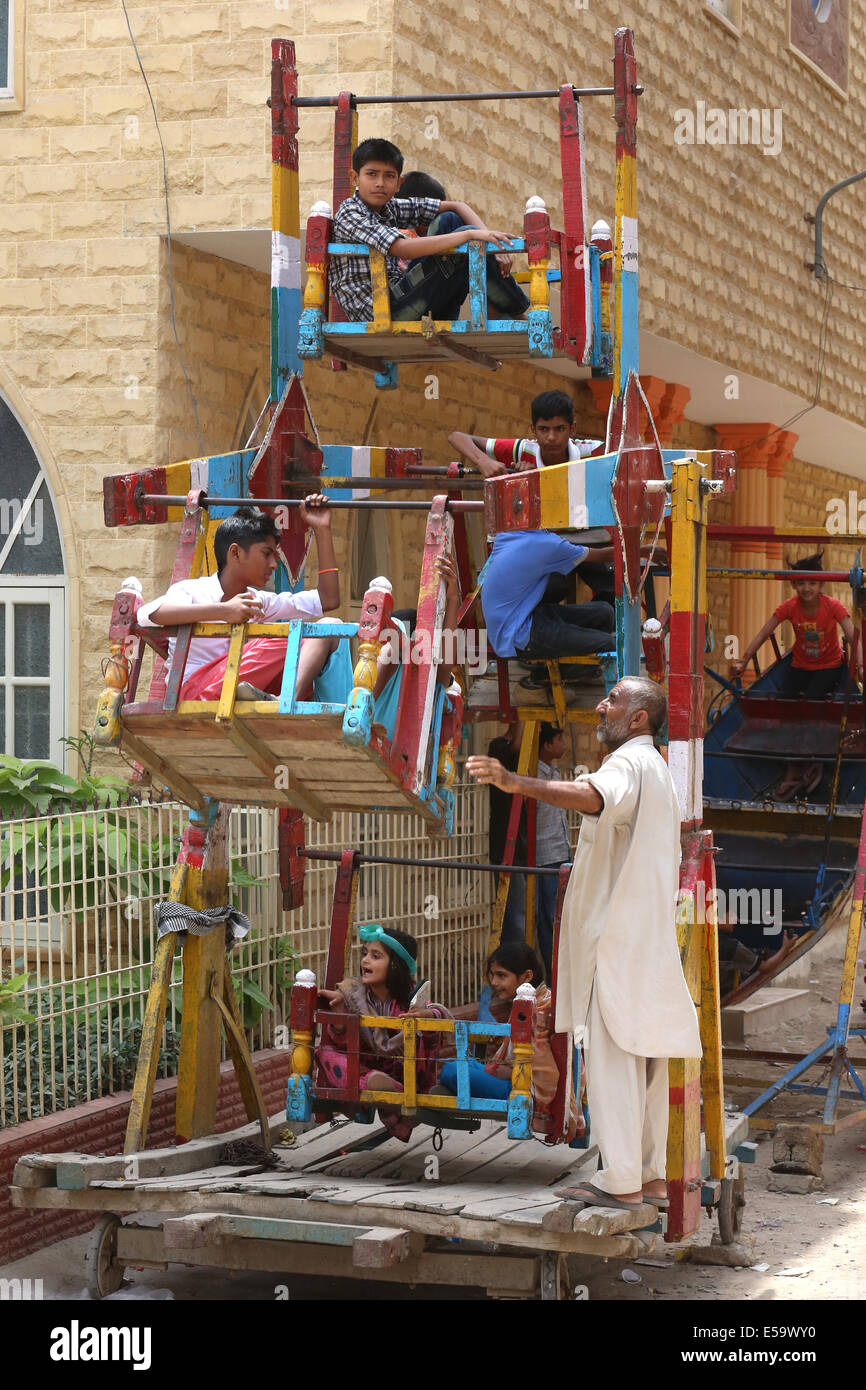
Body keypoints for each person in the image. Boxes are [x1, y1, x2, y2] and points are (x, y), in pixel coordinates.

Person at [467, 677, 702, 1211]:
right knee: (646, 1057)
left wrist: (513, 782)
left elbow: (592, 796)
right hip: (642, 941)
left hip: (615, 946)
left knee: (614, 1061)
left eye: (613, 699)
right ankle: (650, 1178)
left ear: (638, 718)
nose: (601, 705)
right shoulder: (656, 768)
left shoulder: (627, 764)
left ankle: (620, 1181)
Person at [137, 499, 341, 703]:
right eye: (266, 554)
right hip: (194, 694)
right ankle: (288, 700)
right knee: (276, 638)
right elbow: (149, 615)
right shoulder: (192, 590)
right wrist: (224, 611)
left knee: (328, 630)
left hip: (234, 689)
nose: (273, 565)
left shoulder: (258, 601)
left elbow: (327, 599)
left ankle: (288, 700)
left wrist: (322, 529)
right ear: (235, 553)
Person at [329, 137, 529, 324]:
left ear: (398, 183)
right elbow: (403, 248)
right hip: (382, 313)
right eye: (371, 174)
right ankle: (516, 313)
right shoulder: (350, 212)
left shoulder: (390, 207)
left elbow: (458, 206)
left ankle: (505, 309)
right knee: (467, 237)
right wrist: (471, 234)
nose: (380, 183)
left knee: (450, 219)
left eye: (388, 176)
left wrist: (492, 242)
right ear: (354, 178)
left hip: (401, 297)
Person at [729, 551, 863, 800]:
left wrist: (861, 666)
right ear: (793, 584)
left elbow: (854, 636)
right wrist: (743, 660)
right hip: (800, 666)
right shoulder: (789, 607)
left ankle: (811, 762)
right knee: (784, 707)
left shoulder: (832, 606)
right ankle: (792, 765)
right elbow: (763, 633)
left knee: (809, 704)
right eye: (801, 583)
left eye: (812, 583)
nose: (806, 588)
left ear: (822, 584)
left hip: (829, 668)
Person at [315, 923, 452, 1141]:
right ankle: (380, 1088)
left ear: (395, 966)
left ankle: (394, 1092)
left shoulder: (410, 999)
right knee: (326, 1054)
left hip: (402, 1073)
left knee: (423, 1033)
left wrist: (427, 1015)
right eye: (365, 954)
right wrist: (340, 1015)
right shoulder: (352, 994)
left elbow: (439, 1014)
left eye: (375, 956)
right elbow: (343, 1045)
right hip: (363, 1070)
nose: (365, 960)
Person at [437, 941, 580, 1141]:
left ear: (526, 977)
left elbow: (546, 1075)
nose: (494, 982)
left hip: (524, 1094)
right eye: (493, 975)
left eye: (502, 975)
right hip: (515, 1082)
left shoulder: (538, 1011)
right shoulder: (539, 999)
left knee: (451, 1071)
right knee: (461, 1064)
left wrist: (511, 1072)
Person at [447, 388, 603, 481]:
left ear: (572, 428)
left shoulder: (594, 452)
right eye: (543, 429)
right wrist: (483, 461)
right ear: (533, 430)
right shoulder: (522, 450)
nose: (551, 437)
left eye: (559, 429)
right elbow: (457, 437)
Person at [533, 723, 572, 983]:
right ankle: (553, 975)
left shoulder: (553, 771)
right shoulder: (535, 773)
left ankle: (562, 972)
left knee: (561, 917)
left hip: (560, 853)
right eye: (560, 739)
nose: (564, 744)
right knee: (549, 919)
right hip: (546, 856)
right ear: (547, 745)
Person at [487, 719, 528, 944]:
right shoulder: (498, 747)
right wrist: (522, 714)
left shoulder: (520, 758)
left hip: (520, 848)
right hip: (505, 847)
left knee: (520, 913)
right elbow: (516, 744)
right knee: (514, 918)